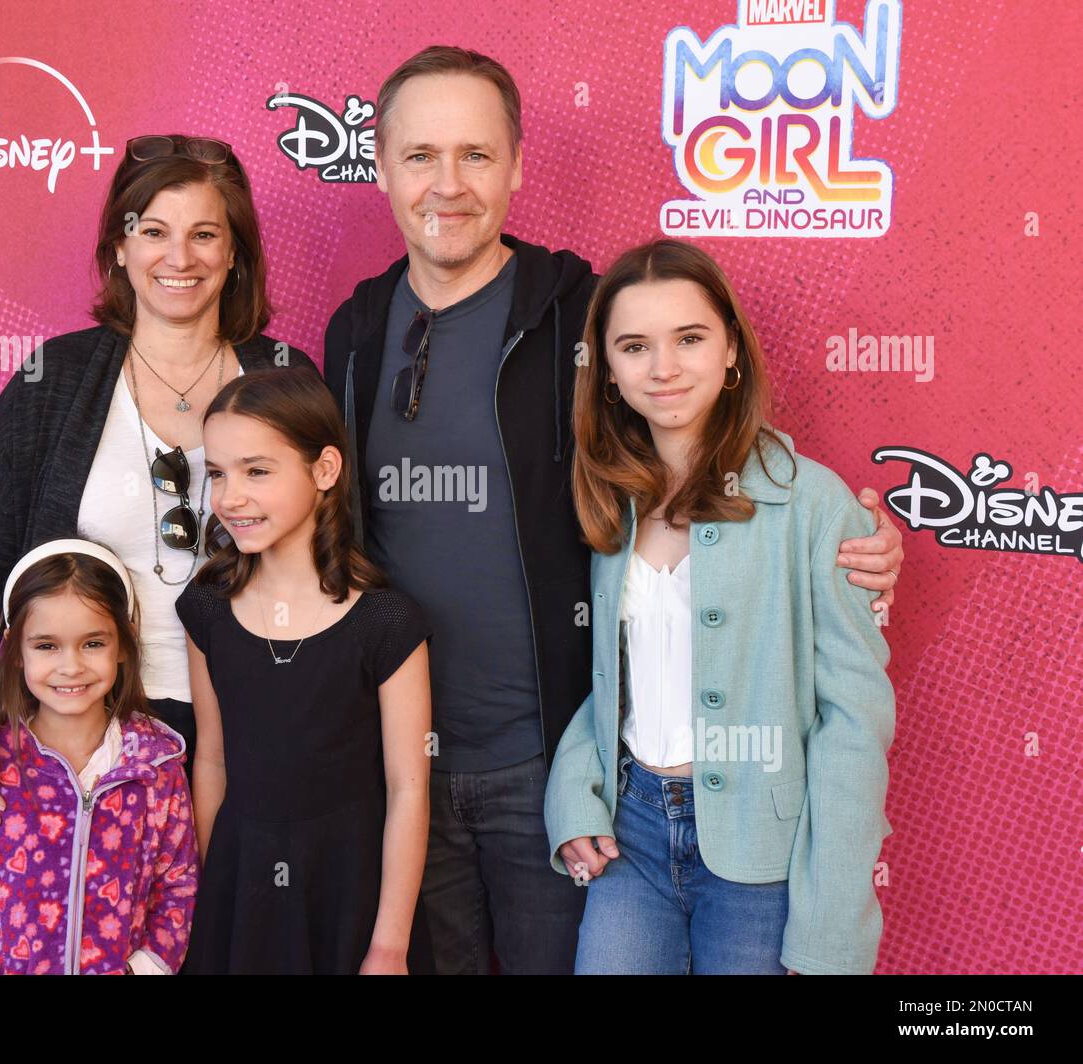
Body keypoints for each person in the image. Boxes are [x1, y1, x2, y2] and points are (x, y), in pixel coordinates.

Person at [322, 45, 905, 974]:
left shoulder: (581, 317)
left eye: (475, 155)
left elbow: (700, 460)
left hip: (556, 765)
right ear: (381, 166)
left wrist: (851, 538)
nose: (449, 183)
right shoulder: (354, 328)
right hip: (406, 767)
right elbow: (331, 529)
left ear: (515, 166)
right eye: (421, 155)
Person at [0, 134, 317, 835]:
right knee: (100, 943)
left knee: (237, 942)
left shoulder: (288, 382)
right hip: (86, 735)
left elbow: (329, 566)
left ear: (235, 254)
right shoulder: (52, 385)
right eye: (154, 232)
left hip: (259, 729)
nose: (180, 258)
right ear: (118, 246)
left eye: (205, 234)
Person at [544, 240, 895, 975]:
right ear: (607, 371)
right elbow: (611, 684)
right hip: (631, 836)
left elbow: (854, 727)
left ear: (732, 349)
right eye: (635, 346)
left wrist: (831, 932)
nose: (663, 367)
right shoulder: (613, 500)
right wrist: (575, 796)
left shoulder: (815, 504)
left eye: (690, 338)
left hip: (760, 857)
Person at [175, 366, 435, 974]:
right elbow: (211, 759)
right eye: (216, 473)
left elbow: (409, 789)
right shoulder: (207, 611)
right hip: (242, 894)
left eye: (257, 471)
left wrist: (389, 946)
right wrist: (215, 900)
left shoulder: (387, 622)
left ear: (324, 470)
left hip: (349, 896)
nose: (229, 497)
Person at [0, 540, 198, 974]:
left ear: (123, 643)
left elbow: (177, 886)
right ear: (15, 647)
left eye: (92, 643)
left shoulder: (156, 766)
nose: (70, 667)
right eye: (46, 646)